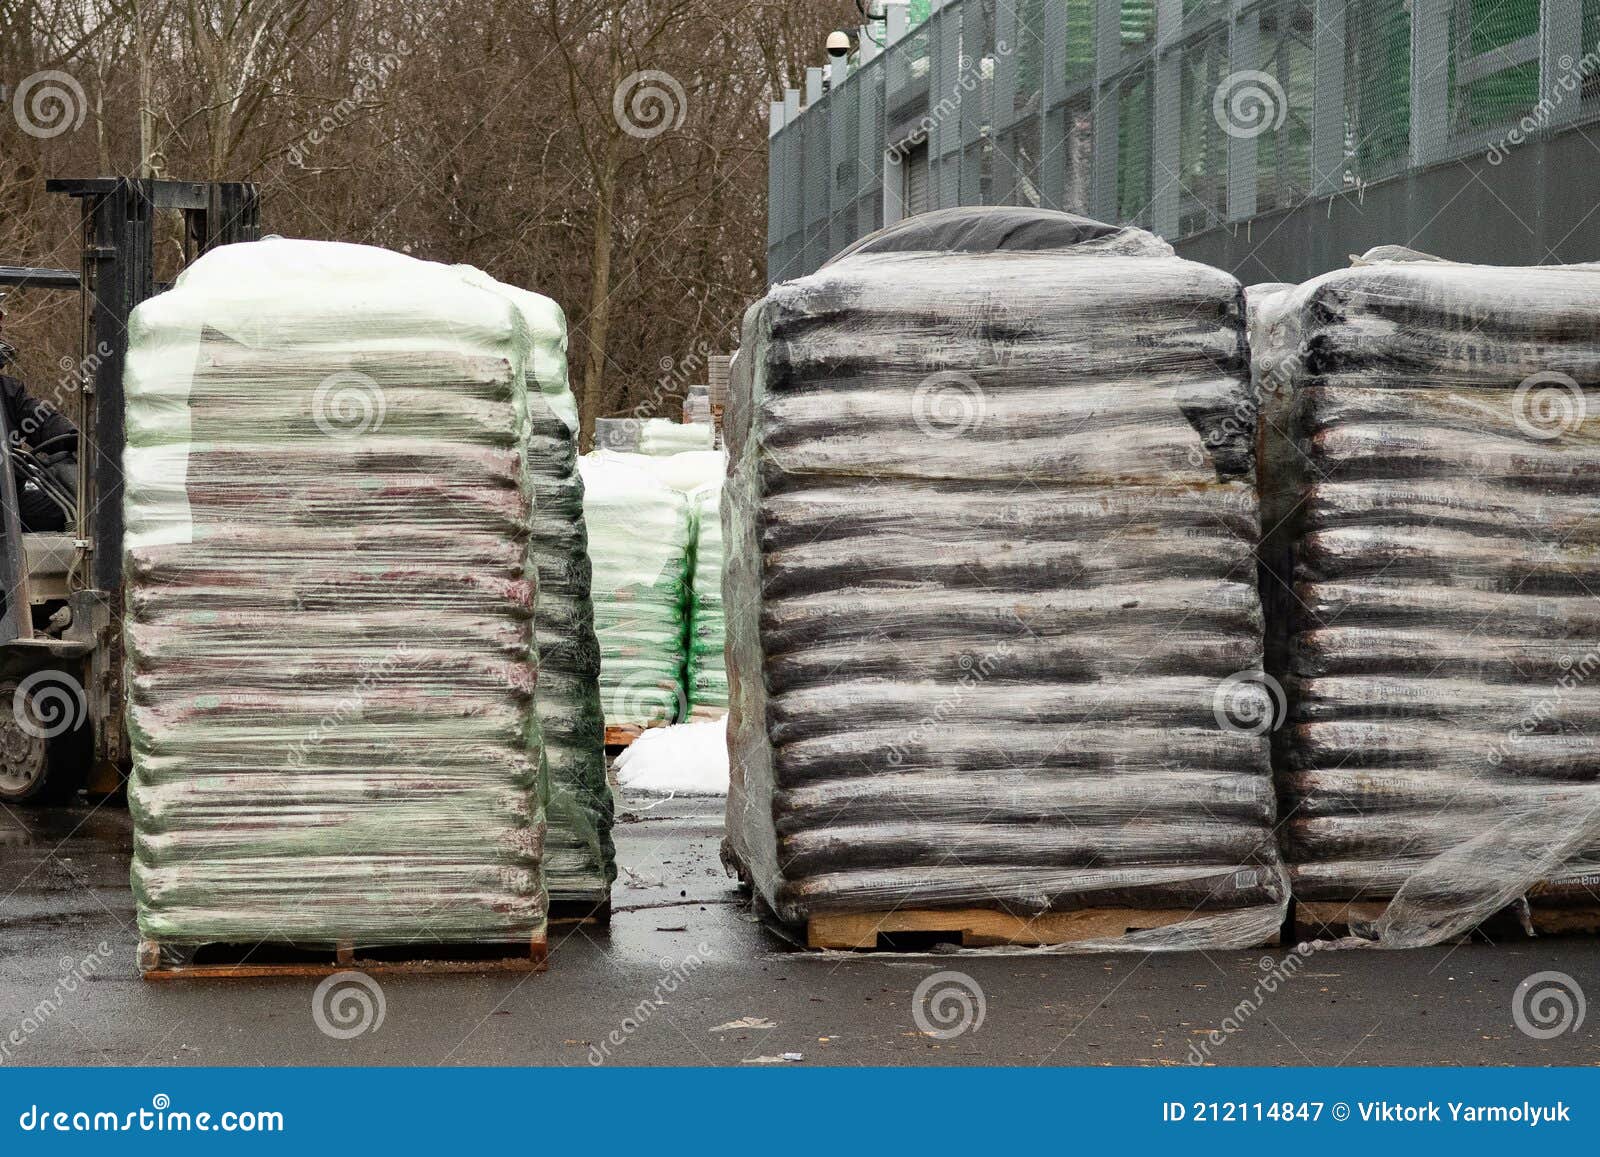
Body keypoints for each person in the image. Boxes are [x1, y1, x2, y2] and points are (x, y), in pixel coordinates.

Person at [0, 335, 78, 533]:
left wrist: (78, 438)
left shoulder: (9, 392)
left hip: (10, 499)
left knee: (79, 505)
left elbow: (43, 422)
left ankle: (89, 560)